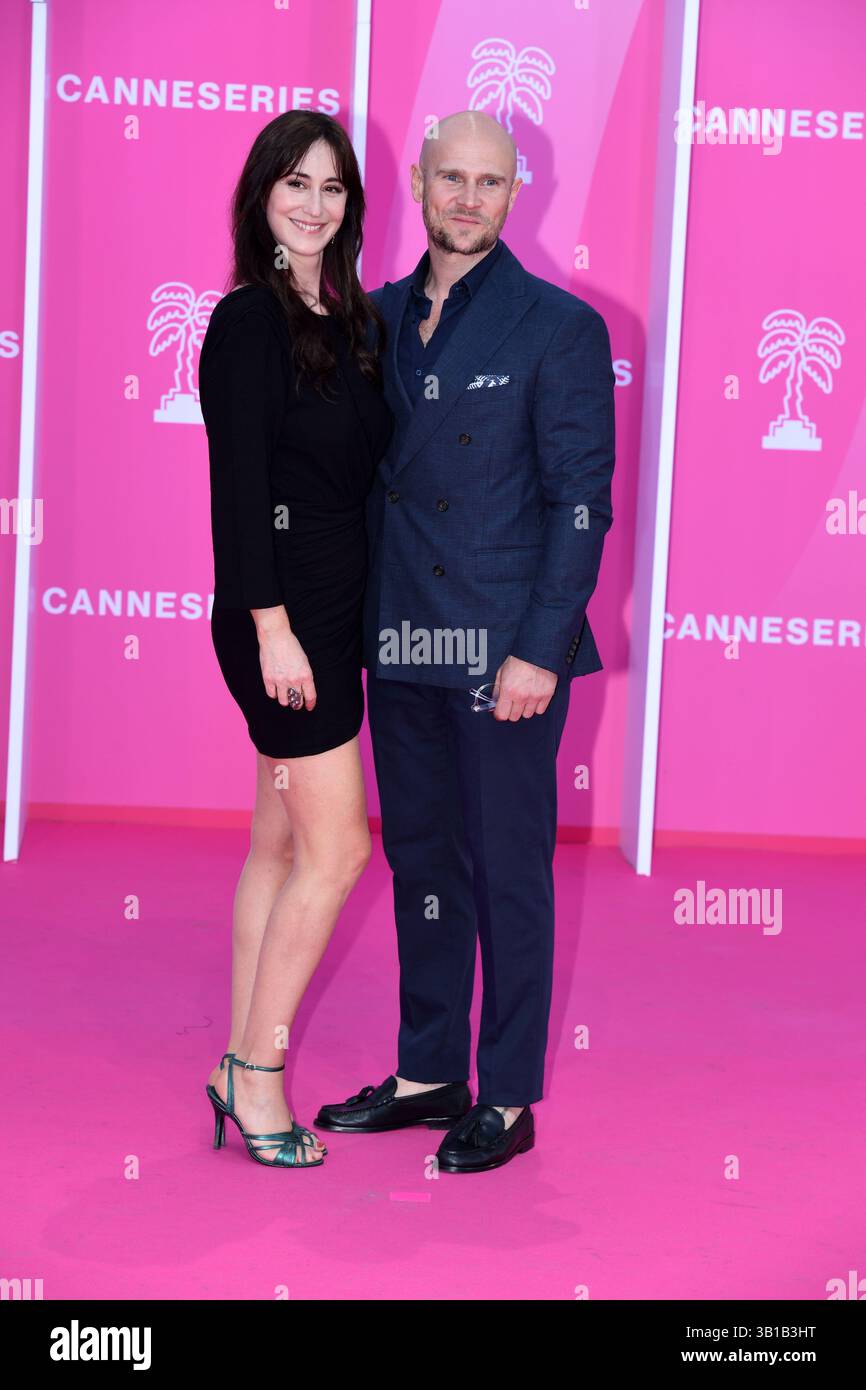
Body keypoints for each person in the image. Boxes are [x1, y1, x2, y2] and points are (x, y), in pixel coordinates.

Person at [314, 111, 616, 1173]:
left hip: (502, 654)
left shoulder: (557, 327)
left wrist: (539, 648)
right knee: (420, 862)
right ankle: (429, 1070)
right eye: (452, 177)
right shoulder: (375, 316)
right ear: (423, 186)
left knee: (507, 873)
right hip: (398, 641)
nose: (468, 198)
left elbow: (579, 502)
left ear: (513, 193)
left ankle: (511, 1094)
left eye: (490, 182)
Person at [198, 111, 393, 1168]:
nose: (314, 205)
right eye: (294, 185)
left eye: (332, 189)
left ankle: (236, 1060)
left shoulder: (348, 316)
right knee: (339, 848)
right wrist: (273, 633)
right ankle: (259, 1075)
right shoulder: (247, 323)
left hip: (332, 611)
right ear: (261, 199)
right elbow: (237, 498)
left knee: (279, 844)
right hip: (279, 624)